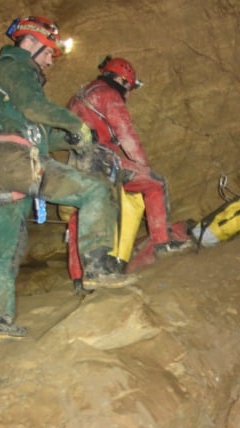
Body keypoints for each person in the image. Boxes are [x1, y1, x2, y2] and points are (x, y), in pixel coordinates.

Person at [0, 16, 136, 340]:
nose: (51, 61)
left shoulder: (6, 78)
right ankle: (96, 268)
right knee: (94, 190)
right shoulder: (13, 65)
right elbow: (36, 106)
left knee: (6, 246)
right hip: (17, 161)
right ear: (32, 43)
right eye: (49, 52)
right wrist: (75, 123)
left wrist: (73, 138)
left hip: (0, 165)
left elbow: (40, 132)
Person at [66, 55, 187, 278]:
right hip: (101, 161)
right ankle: (162, 244)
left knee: (80, 214)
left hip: (76, 164)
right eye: (128, 87)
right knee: (155, 184)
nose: (128, 94)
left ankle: (77, 276)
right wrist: (144, 167)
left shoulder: (78, 97)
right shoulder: (108, 95)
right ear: (120, 80)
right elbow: (126, 135)